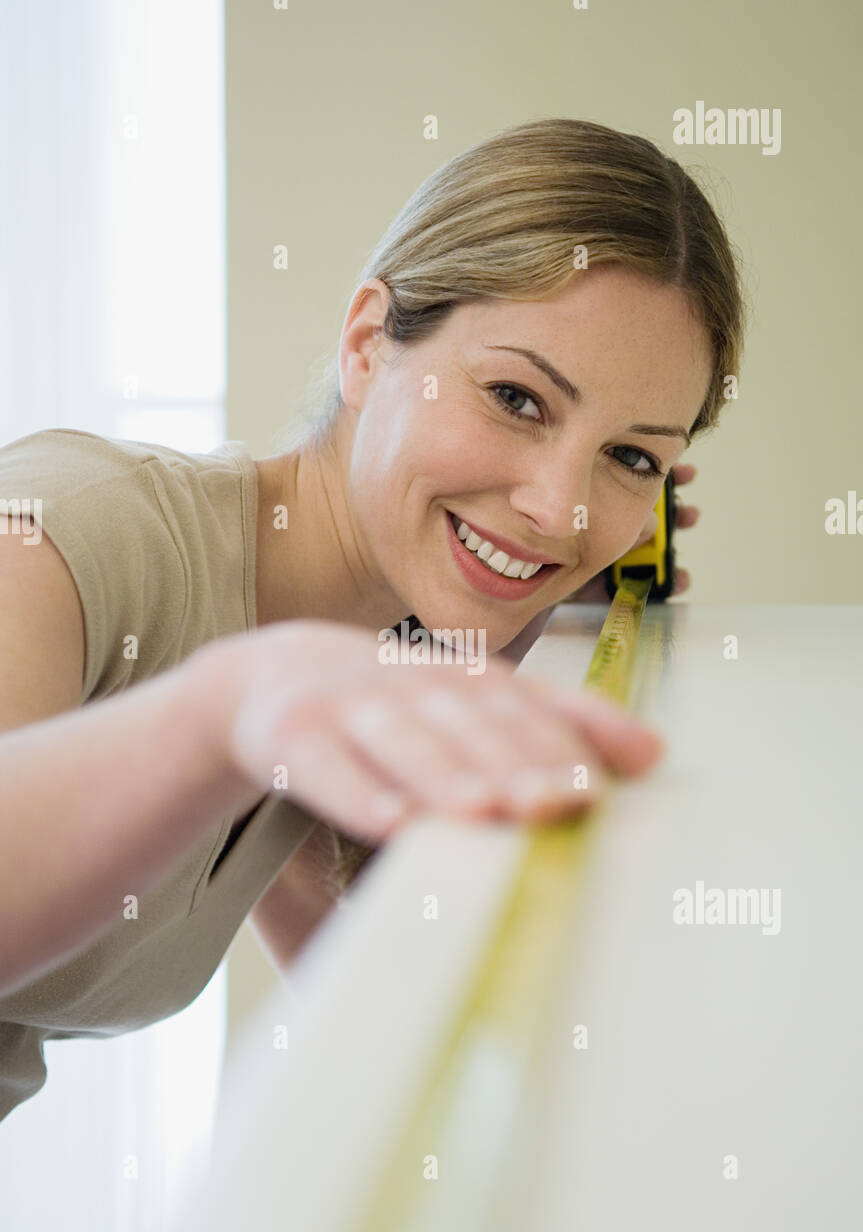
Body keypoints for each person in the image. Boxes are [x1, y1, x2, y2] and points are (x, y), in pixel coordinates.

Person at [0, 116, 746, 1123]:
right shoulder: (62, 527)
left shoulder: (361, 661)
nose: (555, 507)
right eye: (515, 398)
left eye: (629, 457)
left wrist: (501, 642)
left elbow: (394, 1024)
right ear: (364, 346)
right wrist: (224, 706)